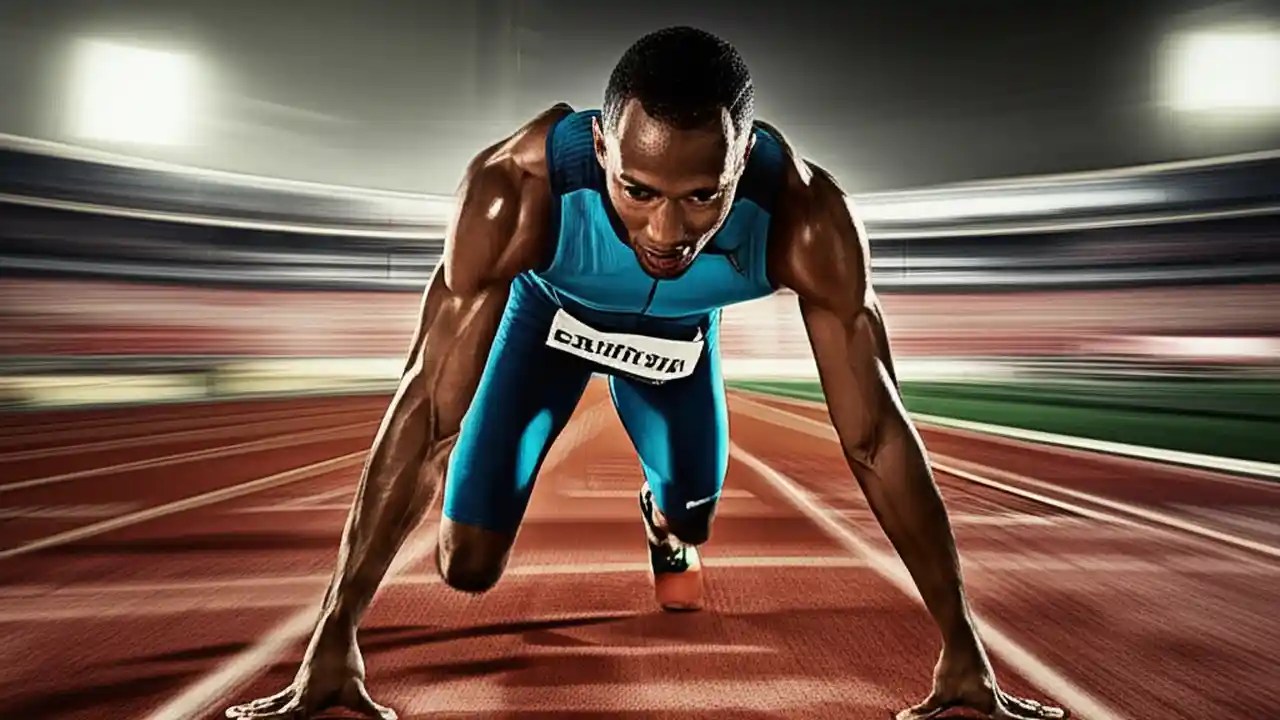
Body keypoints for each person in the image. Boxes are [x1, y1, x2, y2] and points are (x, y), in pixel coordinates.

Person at [225, 25, 1067, 720]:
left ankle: (662, 523)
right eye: (637, 189)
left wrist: (961, 641)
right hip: (543, 332)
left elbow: (877, 438)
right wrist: (335, 629)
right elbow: (425, 420)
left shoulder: (808, 218)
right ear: (600, 145)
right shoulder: (515, 192)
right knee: (466, 569)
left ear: (744, 165)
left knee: (693, 521)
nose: (668, 230)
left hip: (675, 354)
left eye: (704, 196)